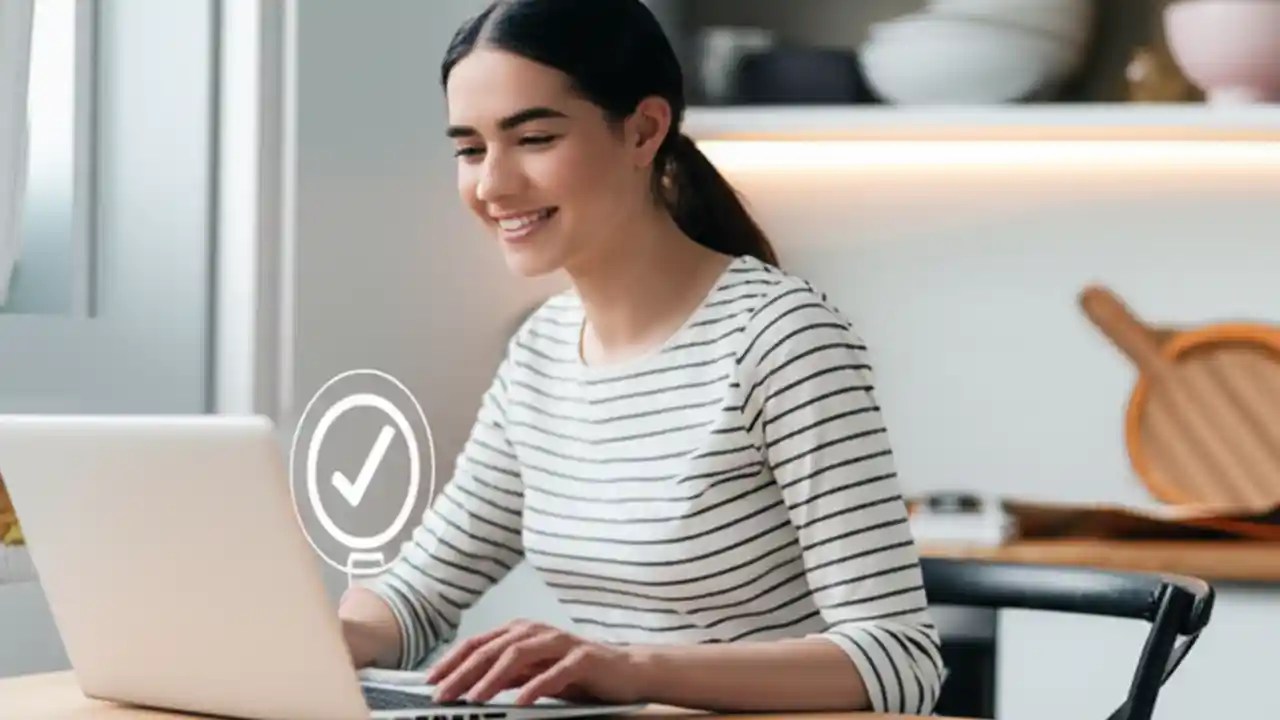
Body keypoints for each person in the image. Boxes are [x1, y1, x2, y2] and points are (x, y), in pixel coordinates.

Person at [338, 0, 943, 715]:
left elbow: (897, 658)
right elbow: (415, 596)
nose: (492, 184)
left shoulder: (779, 338)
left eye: (533, 138)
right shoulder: (541, 353)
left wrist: (632, 669)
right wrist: (314, 637)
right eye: (470, 150)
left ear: (644, 130)